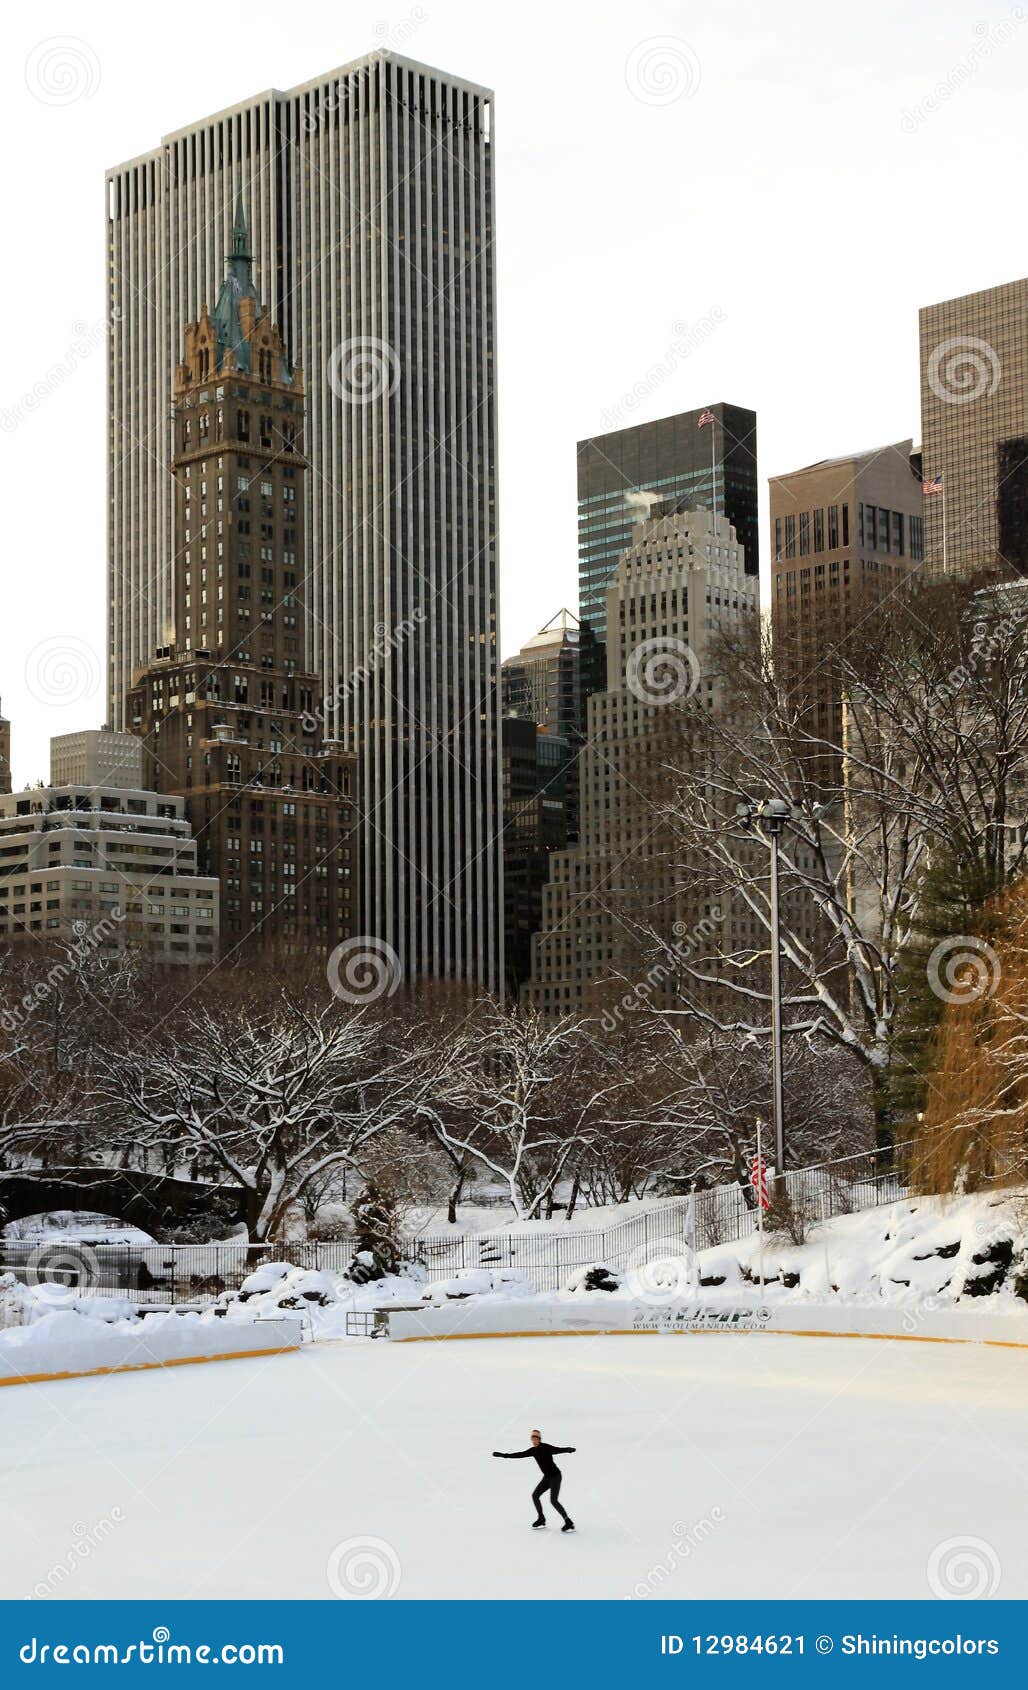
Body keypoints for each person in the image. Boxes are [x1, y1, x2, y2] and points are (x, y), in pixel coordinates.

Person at [493, 1429, 576, 1530]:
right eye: (533, 1438)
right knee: (535, 1495)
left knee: (553, 1500)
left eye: (536, 1438)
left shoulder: (546, 1447)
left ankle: (568, 1522)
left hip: (555, 1476)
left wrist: (567, 1449)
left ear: (539, 1439)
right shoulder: (533, 1451)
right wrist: (503, 1455)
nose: (534, 1440)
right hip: (547, 1478)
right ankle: (541, 1518)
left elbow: (558, 1449)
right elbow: (519, 1455)